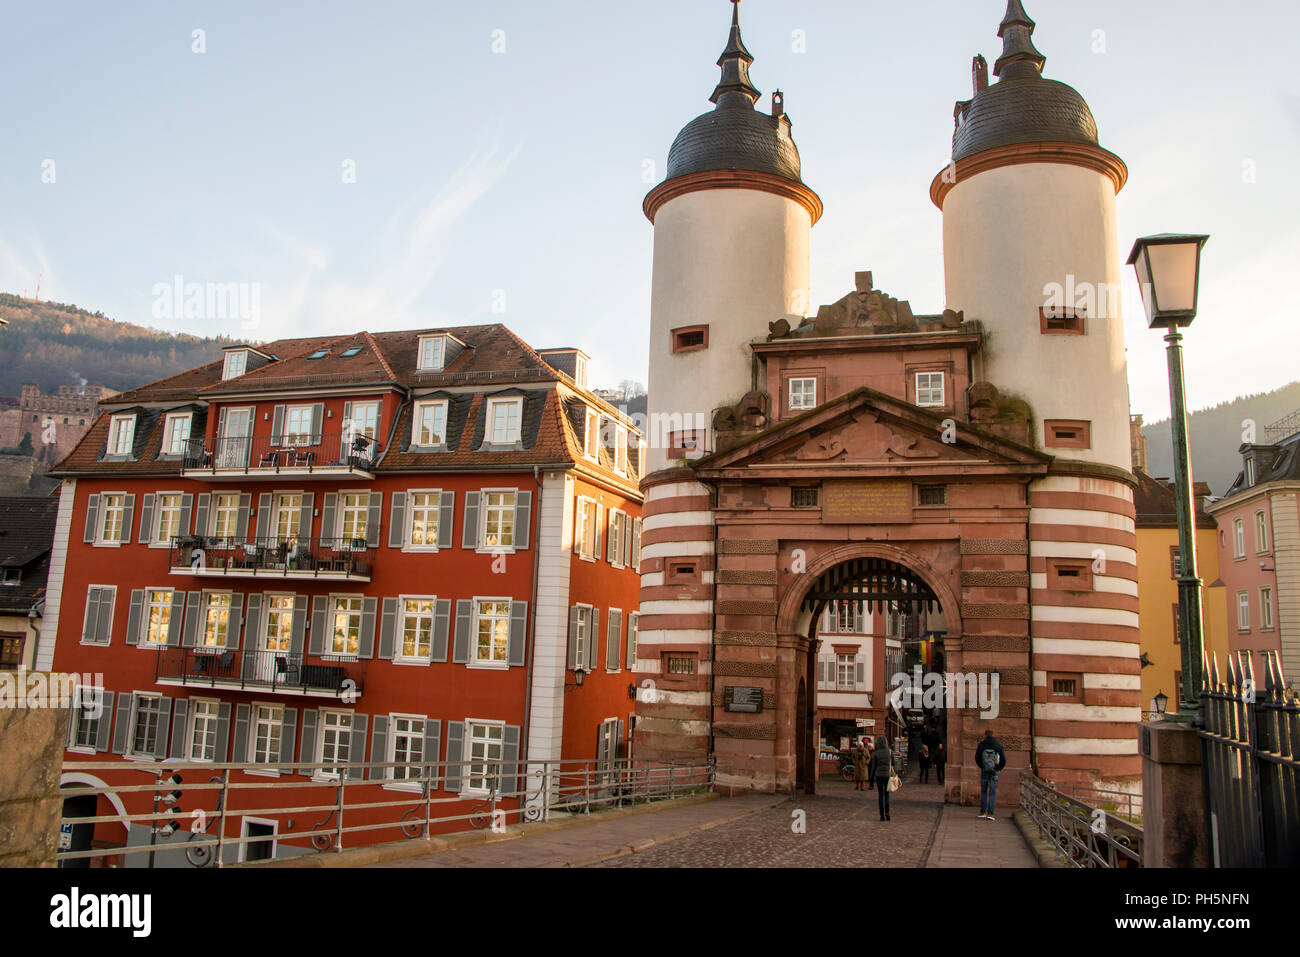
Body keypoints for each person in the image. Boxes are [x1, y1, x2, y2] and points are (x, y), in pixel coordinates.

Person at [974, 729, 1007, 820]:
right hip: (994, 772)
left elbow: (977, 758)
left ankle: (983, 812)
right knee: (992, 793)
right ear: (993, 735)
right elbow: (1004, 760)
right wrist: (998, 768)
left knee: (984, 792)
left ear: (985, 735)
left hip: (985, 770)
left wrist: (983, 766)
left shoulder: (982, 745)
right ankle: (991, 814)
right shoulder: (998, 746)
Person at [868, 735, 893, 821]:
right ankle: (887, 813)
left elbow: (873, 766)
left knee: (880, 795)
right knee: (887, 794)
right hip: (887, 774)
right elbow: (892, 763)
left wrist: (871, 777)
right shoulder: (889, 752)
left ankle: (882, 815)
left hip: (878, 775)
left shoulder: (876, 753)